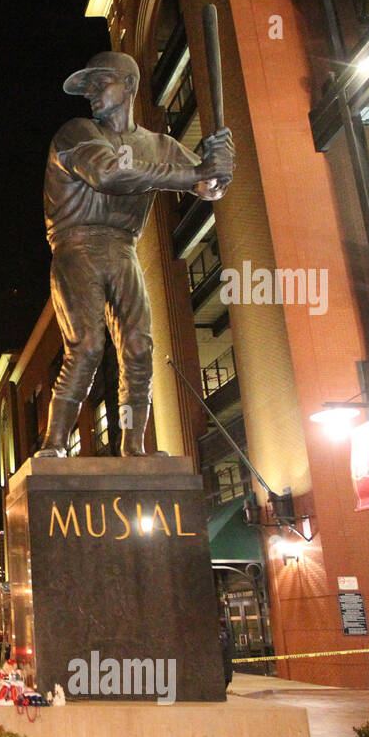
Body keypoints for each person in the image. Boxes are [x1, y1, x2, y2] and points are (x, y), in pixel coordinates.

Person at [37, 50, 234, 457]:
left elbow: (209, 187)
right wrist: (198, 172)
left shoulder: (158, 145)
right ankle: (54, 444)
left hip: (123, 248)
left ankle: (135, 447)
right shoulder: (77, 133)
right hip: (76, 248)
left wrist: (219, 167)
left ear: (128, 84)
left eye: (100, 82)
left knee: (139, 348)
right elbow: (109, 174)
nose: (91, 92)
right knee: (88, 345)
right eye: (87, 86)